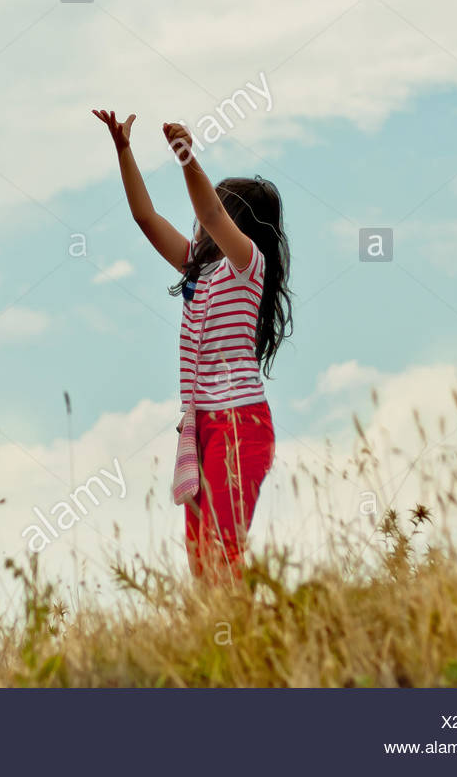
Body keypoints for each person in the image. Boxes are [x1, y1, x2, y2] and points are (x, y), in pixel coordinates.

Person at [92, 109, 292, 580]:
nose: (199, 224)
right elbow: (145, 217)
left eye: (217, 214)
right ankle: (219, 645)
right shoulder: (197, 271)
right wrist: (125, 151)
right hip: (202, 428)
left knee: (223, 551)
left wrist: (187, 158)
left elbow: (209, 212)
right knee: (202, 562)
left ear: (238, 223)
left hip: (240, 424)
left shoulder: (248, 265)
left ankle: (249, 643)